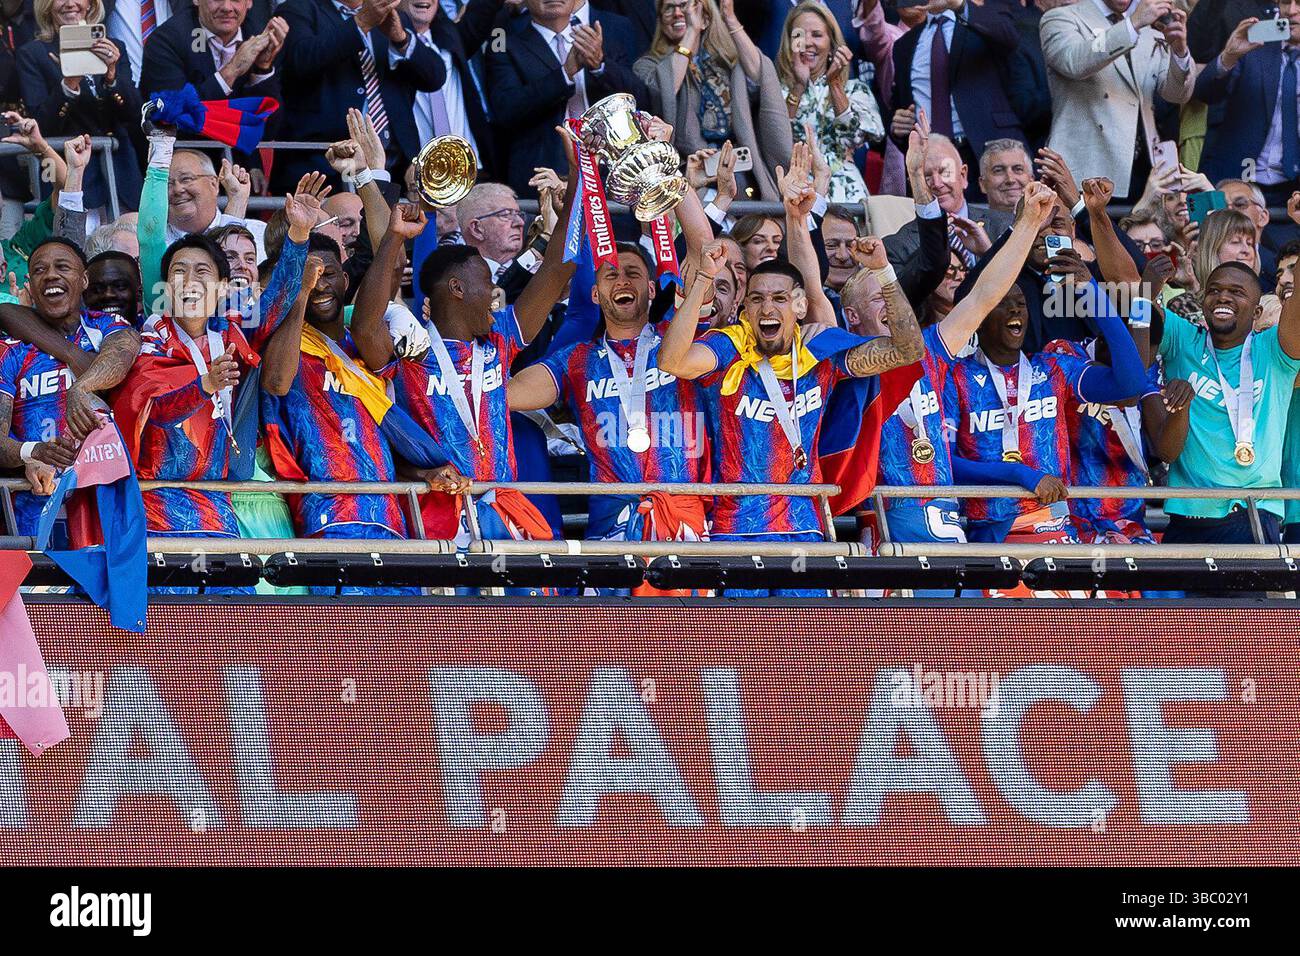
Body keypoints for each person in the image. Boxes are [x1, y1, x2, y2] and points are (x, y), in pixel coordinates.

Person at [357, 165, 576, 546]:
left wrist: (576, 182)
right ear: (457, 288)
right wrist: (394, 239)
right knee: (454, 610)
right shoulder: (412, 352)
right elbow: (363, 327)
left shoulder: (500, 339)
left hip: (505, 514)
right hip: (437, 519)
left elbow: (558, 269)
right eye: (487, 283)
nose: (495, 292)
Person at [860, 180, 1058, 556]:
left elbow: (984, 295)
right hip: (885, 534)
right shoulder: (845, 363)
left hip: (949, 536)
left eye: (894, 293)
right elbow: (814, 303)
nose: (891, 304)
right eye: (878, 296)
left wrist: (1030, 222)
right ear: (852, 315)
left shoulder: (931, 352)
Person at [944, 268, 1147, 545]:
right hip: (992, 532)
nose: (1015, 309)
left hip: (1056, 527)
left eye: (1021, 303)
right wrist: (1020, 473)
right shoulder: (953, 378)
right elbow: (943, 463)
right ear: (977, 317)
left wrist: (1091, 292)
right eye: (1002, 302)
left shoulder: (1054, 369)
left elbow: (1131, 383)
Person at [0, 237, 142, 535]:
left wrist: (81, 387)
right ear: (30, 284)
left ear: (84, 279)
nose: (51, 274)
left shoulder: (108, 326)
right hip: (33, 510)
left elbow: (123, 351)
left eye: (62, 267)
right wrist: (32, 452)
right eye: (39, 269)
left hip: (105, 508)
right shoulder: (10, 350)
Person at [1158, 261, 1300, 545]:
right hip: (1188, 515)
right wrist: (1143, 293)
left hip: (1254, 513)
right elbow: (1125, 296)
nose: (1223, 297)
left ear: (1257, 311)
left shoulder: (1274, 349)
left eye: (1237, 292)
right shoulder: (1182, 338)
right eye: (1214, 290)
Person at [274, 0, 449, 191]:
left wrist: (401, 39)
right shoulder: (297, 9)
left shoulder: (393, 14)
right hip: (325, 168)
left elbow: (434, 78)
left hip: (394, 165)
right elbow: (301, 60)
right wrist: (361, 23)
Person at [485, 0, 650, 199]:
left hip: (609, 175)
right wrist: (565, 73)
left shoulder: (603, 34)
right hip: (544, 178)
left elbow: (639, 98)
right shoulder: (505, 43)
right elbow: (506, 109)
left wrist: (600, 65)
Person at [633, 0, 791, 202]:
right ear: (660, 20)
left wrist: (731, 20)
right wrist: (692, 30)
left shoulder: (727, 64)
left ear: (706, 19)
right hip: (686, 176)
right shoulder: (647, 66)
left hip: (740, 173)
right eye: (669, 8)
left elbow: (762, 76)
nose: (678, 13)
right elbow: (665, 88)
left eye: (685, 6)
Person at [1039, 0, 1194, 202]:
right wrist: (1133, 24)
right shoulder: (1062, 17)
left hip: (1144, 167)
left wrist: (1179, 51)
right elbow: (1074, 62)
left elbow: (1177, 95)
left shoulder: (1150, 26)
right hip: (1087, 167)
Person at [887, 0, 1027, 201]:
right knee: (937, 229)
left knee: (1001, 226)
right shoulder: (903, 46)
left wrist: (959, 4)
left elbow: (1009, 37)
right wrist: (899, 126)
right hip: (934, 161)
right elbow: (900, 106)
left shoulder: (981, 19)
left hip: (986, 152)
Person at [16, 0, 144, 218]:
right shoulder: (33, 53)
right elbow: (42, 124)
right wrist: (69, 85)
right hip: (72, 177)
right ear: (47, 6)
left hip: (120, 175)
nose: (69, 4)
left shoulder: (115, 47)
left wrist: (112, 75)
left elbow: (134, 115)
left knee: (127, 248)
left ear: (91, 4)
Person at [140, 0, 288, 180]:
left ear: (249, 2)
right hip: (185, 171)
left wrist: (262, 68)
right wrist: (232, 70)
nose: (226, 7)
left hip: (241, 171)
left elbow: (270, 128)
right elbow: (172, 114)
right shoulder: (168, 39)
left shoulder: (259, 35)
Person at [776, 0, 882, 203]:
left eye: (817, 35)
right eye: (799, 35)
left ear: (832, 44)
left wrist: (834, 85)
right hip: (797, 193)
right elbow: (776, 143)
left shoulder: (854, 89)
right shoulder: (776, 91)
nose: (808, 42)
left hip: (846, 193)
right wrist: (798, 86)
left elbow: (854, 139)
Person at [1194, 9, 1300, 204]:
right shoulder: (1254, 45)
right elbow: (1204, 93)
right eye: (1286, 2)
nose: (1292, 11)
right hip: (1232, 182)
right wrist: (1228, 57)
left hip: (1292, 193)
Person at [403, 0, 501, 179]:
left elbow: (483, 10)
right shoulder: (382, 48)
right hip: (420, 175)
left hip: (472, 170)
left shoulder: (451, 37)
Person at [977, 138, 1034, 223]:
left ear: (1031, 180)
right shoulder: (970, 229)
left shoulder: (1052, 224)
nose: (1010, 179)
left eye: (1018, 169)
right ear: (982, 184)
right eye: (998, 170)